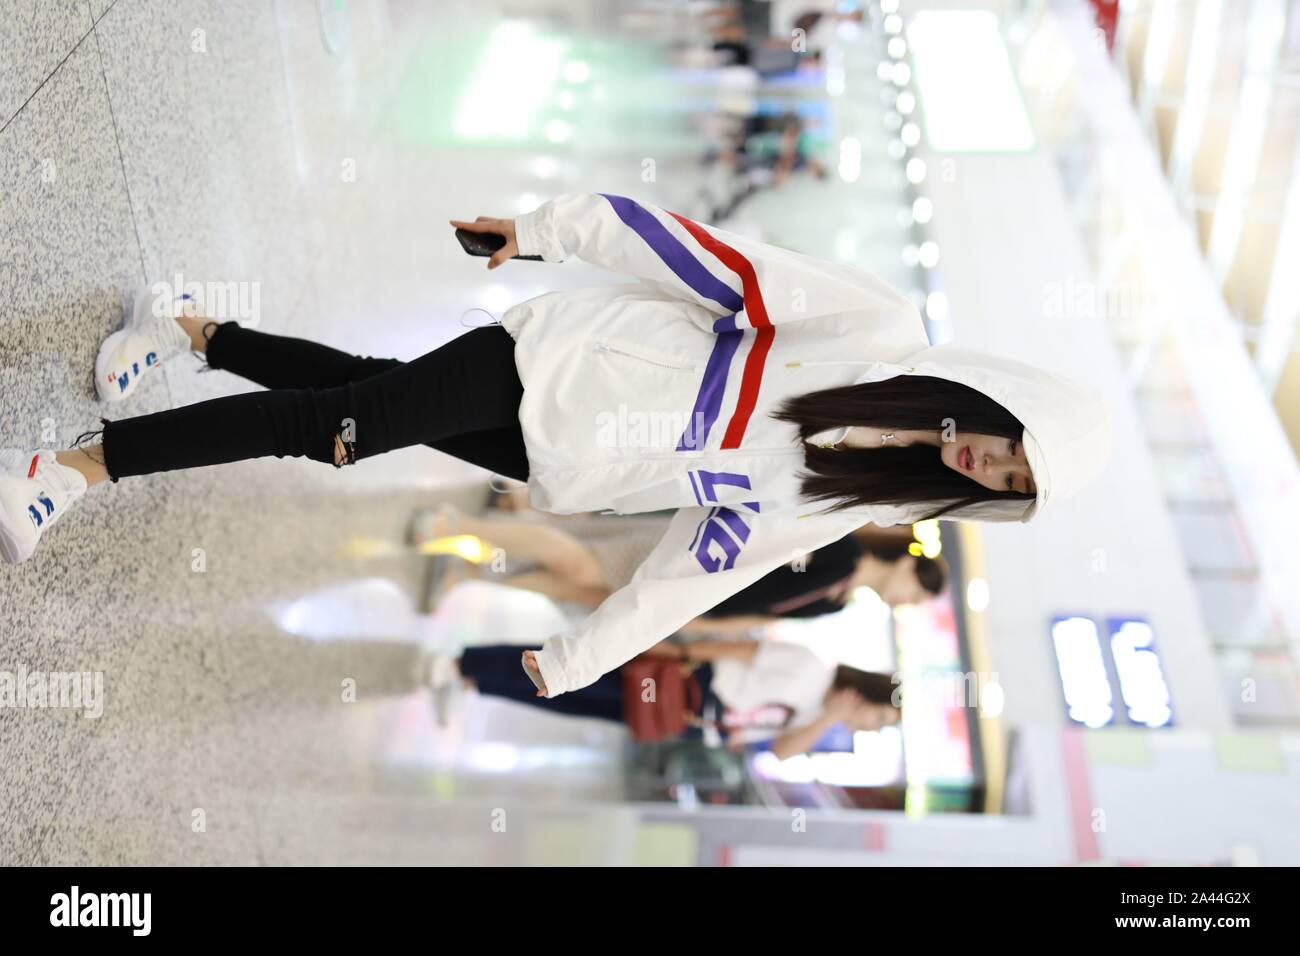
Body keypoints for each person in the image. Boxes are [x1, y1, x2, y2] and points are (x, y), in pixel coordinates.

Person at [0, 192, 1111, 705]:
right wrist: (547, 231)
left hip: (557, 457)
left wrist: (579, 657)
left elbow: (692, 568)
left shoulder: (841, 502)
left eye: (1002, 487)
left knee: (356, 393)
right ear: (1001, 404)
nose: (983, 467)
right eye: (1005, 448)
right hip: (552, 361)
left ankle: (188, 327)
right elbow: (714, 259)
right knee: (336, 434)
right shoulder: (877, 336)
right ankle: (75, 468)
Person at [410, 503, 945, 634]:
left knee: (578, 585)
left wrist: (695, 622)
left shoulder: (836, 603)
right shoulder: (843, 550)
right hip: (698, 556)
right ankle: (457, 524)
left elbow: (760, 616)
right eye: (917, 597)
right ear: (908, 571)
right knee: (581, 557)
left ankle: (471, 574)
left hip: (694, 596)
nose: (909, 605)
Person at [438, 636, 899, 759]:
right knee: (571, 674)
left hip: (688, 721)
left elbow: (779, 751)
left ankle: (477, 683)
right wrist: (676, 653)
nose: (867, 726)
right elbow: (738, 651)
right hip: (686, 682)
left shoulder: (817, 718)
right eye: (876, 719)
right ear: (866, 695)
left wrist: (829, 718)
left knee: (571, 702)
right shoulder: (811, 668)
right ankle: (466, 663)